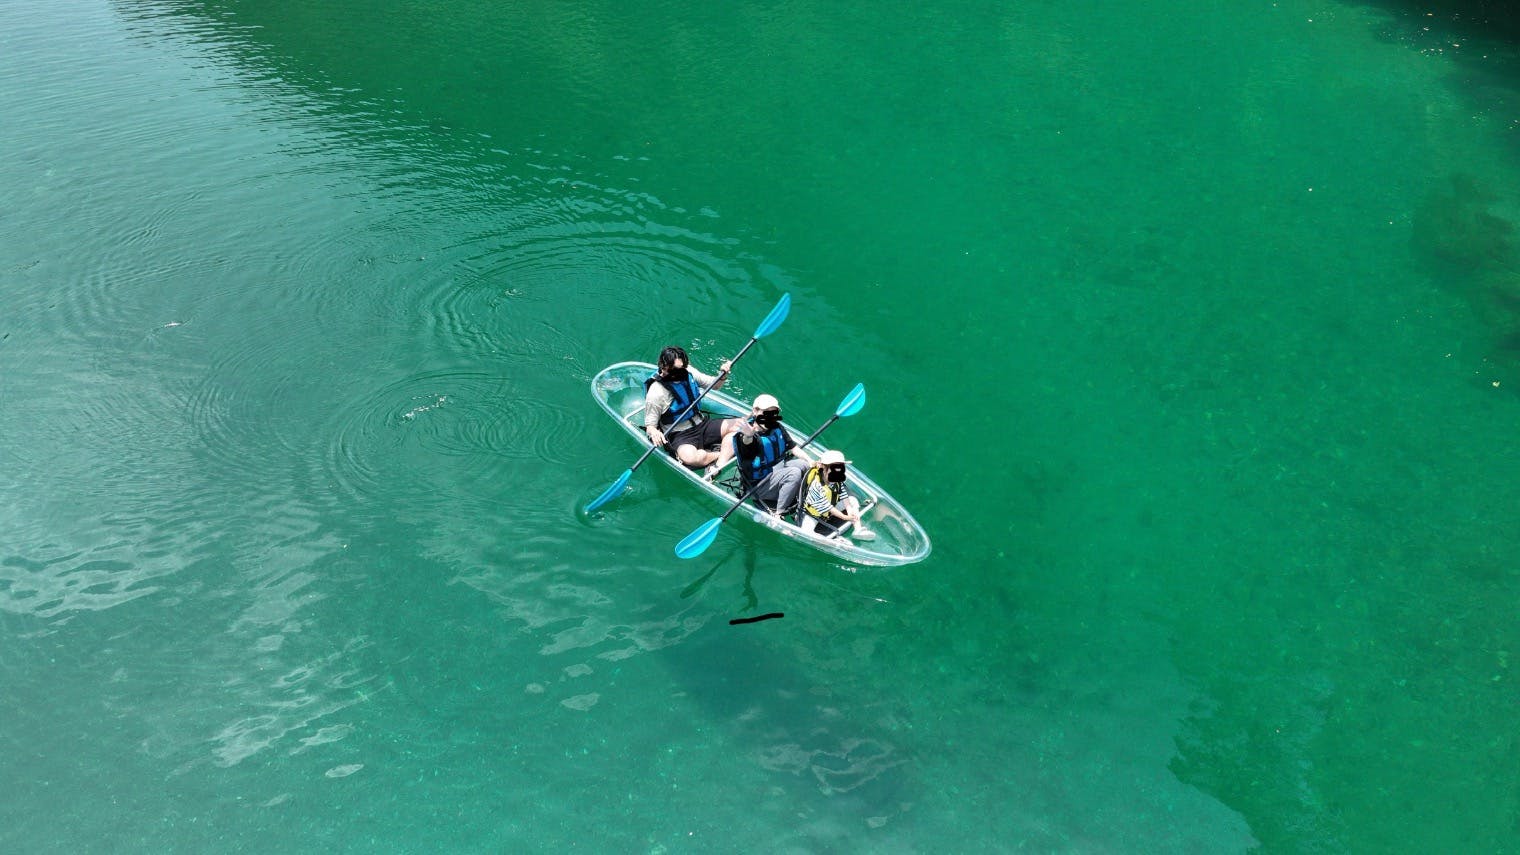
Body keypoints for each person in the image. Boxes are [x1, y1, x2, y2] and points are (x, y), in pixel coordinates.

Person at [644, 345, 741, 470]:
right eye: (675, 370)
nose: (680, 374)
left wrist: (722, 375)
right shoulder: (656, 392)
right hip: (679, 435)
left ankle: (718, 462)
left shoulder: (688, 372)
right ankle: (721, 454)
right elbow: (650, 426)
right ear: (664, 367)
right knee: (691, 458)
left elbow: (714, 385)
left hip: (702, 424)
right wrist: (654, 432)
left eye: (682, 368)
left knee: (742, 425)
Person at [709, 393, 808, 514]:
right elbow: (747, 444)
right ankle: (779, 512)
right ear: (755, 411)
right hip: (758, 485)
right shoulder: (746, 436)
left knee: (804, 464)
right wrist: (748, 435)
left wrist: (811, 461)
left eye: (774, 413)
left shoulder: (777, 427)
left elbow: (793, 448)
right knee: (794, 473)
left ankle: (800, 493)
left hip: (776, 472)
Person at [798, 449, 875, 540]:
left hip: (829, 507)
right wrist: (845, 517)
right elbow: (828, 508)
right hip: (814, 514)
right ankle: (834, 541)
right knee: (806, 532)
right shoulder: (816, 485)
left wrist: (851, 514)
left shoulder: (837, 479)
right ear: (823, 467)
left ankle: (858, 530)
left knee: (853, 500)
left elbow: (845, 497)